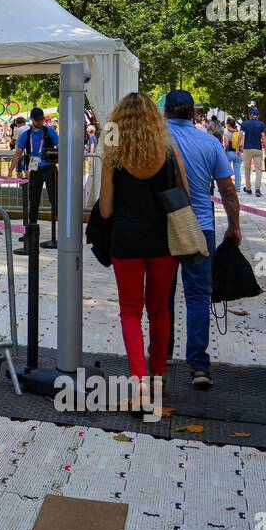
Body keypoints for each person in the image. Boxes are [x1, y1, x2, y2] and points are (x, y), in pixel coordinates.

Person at [98, 93, 181, 402]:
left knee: (130, 312)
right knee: (160, 310)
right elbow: (182, 195)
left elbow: (105, 210)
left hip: (126, 242)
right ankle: (158, 374)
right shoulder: (170, 153)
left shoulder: (114, 157)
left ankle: (139, 379)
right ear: (154, 120)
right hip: (164, 243)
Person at [165, 90, 243, 390]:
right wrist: (234, 226)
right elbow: (227, 190)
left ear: (167, 113)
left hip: (165, 227)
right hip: (201, 228)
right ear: (193, 113)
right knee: (198, 295)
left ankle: (163, 353)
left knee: (163, 293)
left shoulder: (158, 142)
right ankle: (198, 365)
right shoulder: (210, 143)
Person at [14, 108, 59, 224]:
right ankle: (32, 228)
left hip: (50, 169)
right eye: (38, 120)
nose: (40, 122)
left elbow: (61, 147)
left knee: (55, 199)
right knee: (33, 200)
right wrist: (10, 172)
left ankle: (60, 228)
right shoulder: (26, 134)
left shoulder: (50, 132)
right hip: (35, 170)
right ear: (32, 120)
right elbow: (18, 153)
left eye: (41, 119)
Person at [239, 108, 266, 197]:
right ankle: (258, 189)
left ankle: (248, 188)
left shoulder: (244, 124)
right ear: (257, 116)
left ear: (250, 115)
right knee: (258, 170)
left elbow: (240, 135)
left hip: (247, 148)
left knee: (247, 169)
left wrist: (237, 147)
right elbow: (263, 137)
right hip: (258, 148)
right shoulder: (261, 124)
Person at [222, 116, 243, 189]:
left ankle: (226, 186)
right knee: (237, 170)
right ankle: (237, 187)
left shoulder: (226, 133)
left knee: (226, 170)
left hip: (229, 152)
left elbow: (226, 144)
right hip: (238, 153)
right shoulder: (238, 132)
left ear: (228, 124)